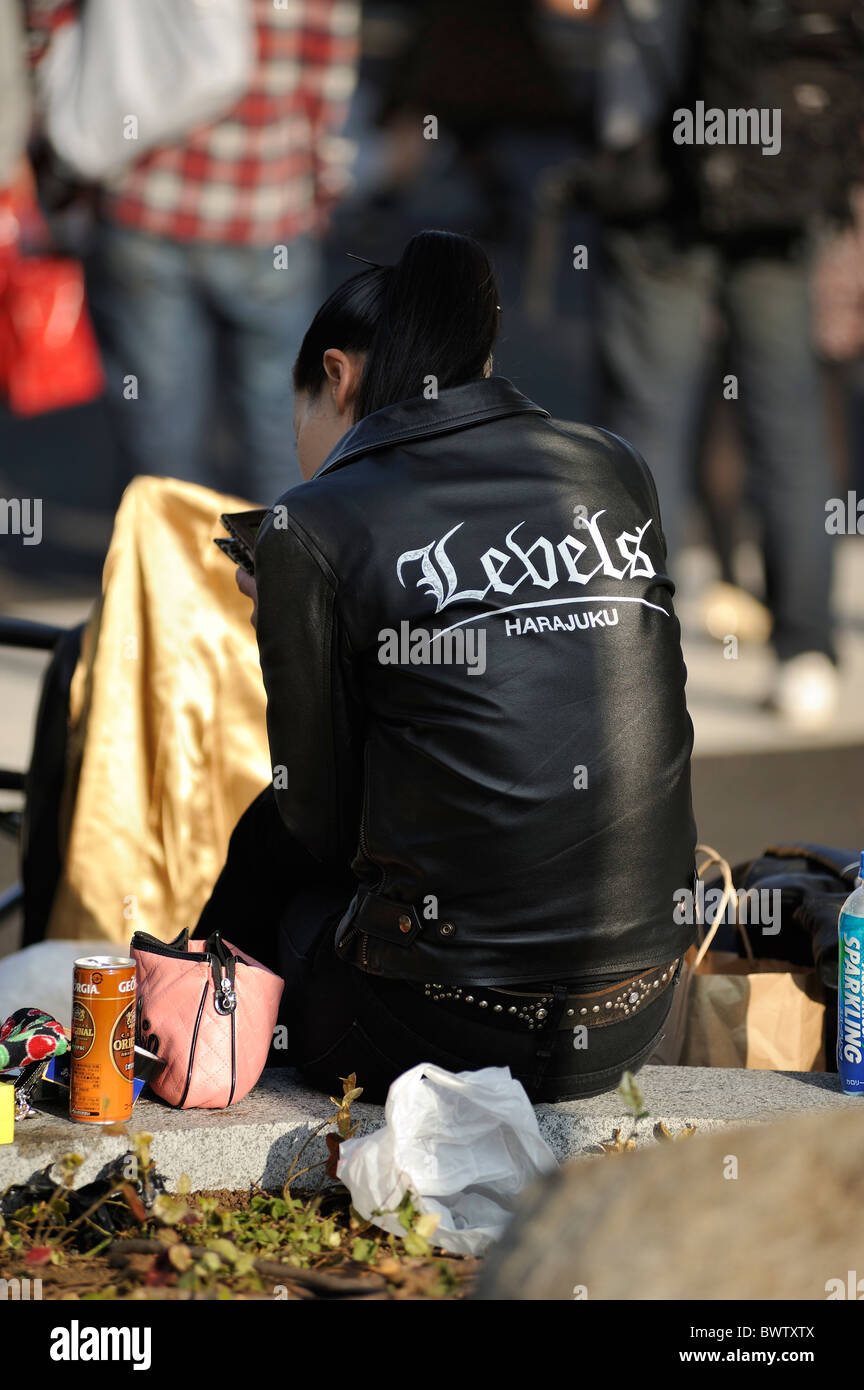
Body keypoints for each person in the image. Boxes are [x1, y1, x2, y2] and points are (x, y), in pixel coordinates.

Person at [192, 229, 697, 1104]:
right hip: (639, 1011)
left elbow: (321, 823)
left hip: (437, 1029)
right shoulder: (613, 466)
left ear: (338, 378)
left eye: (302, 413)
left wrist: (299, 611)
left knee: (268, 851)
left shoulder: (316, 521)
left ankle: (193, 1044)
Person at [593, 0, 864, 728]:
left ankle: (645, 660)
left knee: (647, 429)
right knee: (791, 423)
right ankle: (807, 652)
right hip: (784, 193)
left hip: (662, 192)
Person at [25, 0, 360, 504]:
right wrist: (323, 187)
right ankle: (287, 567)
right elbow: (325, 86)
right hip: (268, 212)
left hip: (143, 204)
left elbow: (47, 19)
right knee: (285, 422)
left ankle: (171, 569)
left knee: (158, 424)